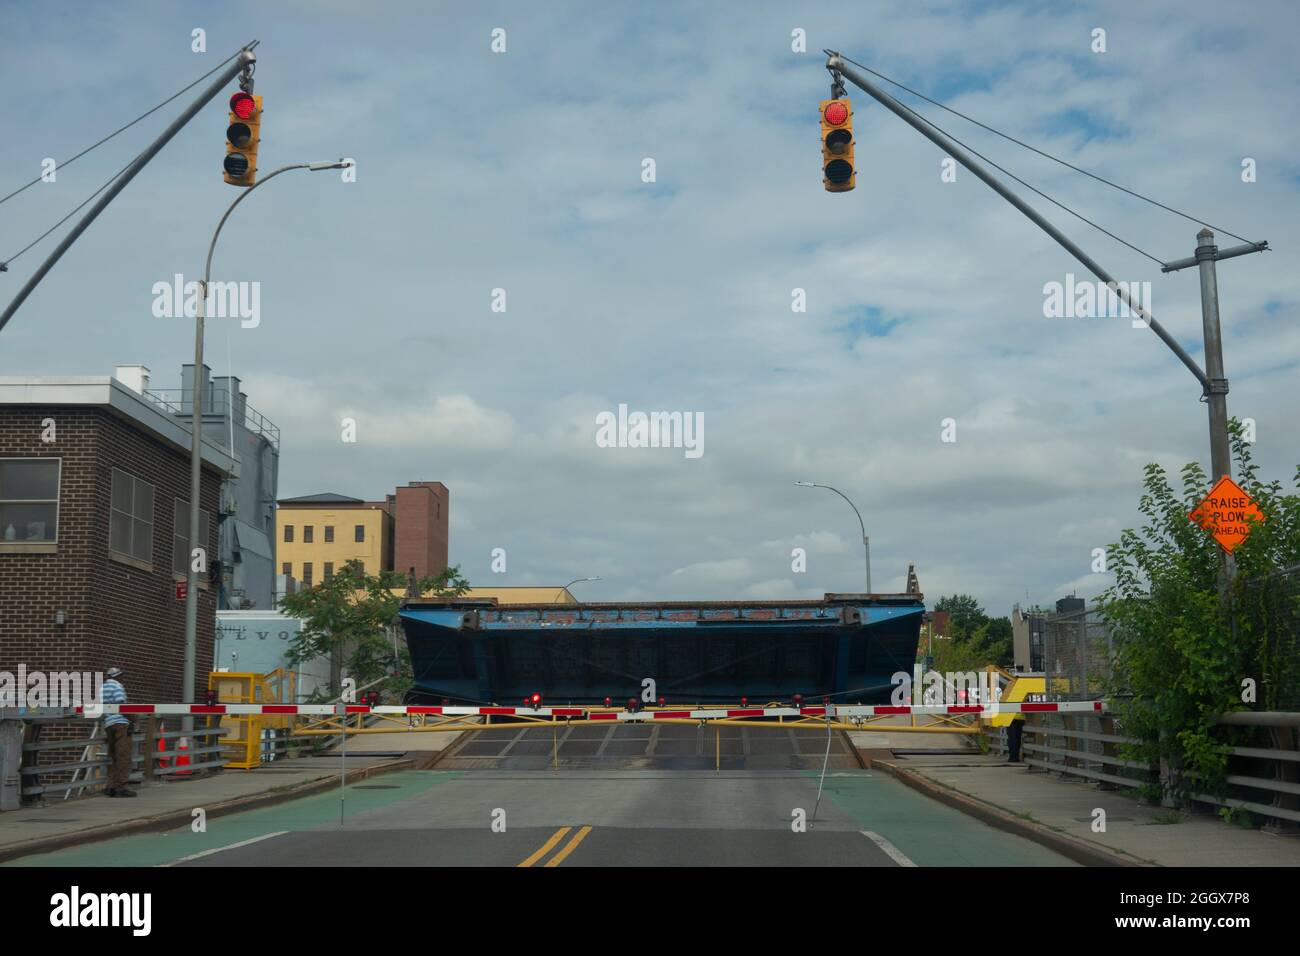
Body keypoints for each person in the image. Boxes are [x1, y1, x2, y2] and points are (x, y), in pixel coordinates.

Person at [101, 667, 136, 797]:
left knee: (114, 756)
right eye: (121, 676)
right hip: (121, 723)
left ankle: (110, 786)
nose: (122, 678)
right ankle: (121, 787)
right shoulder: (117, 686)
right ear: (116, 677)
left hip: (109, 723)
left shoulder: (102, 688)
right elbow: (121, 705)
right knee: (123, 755)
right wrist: (132, 720)